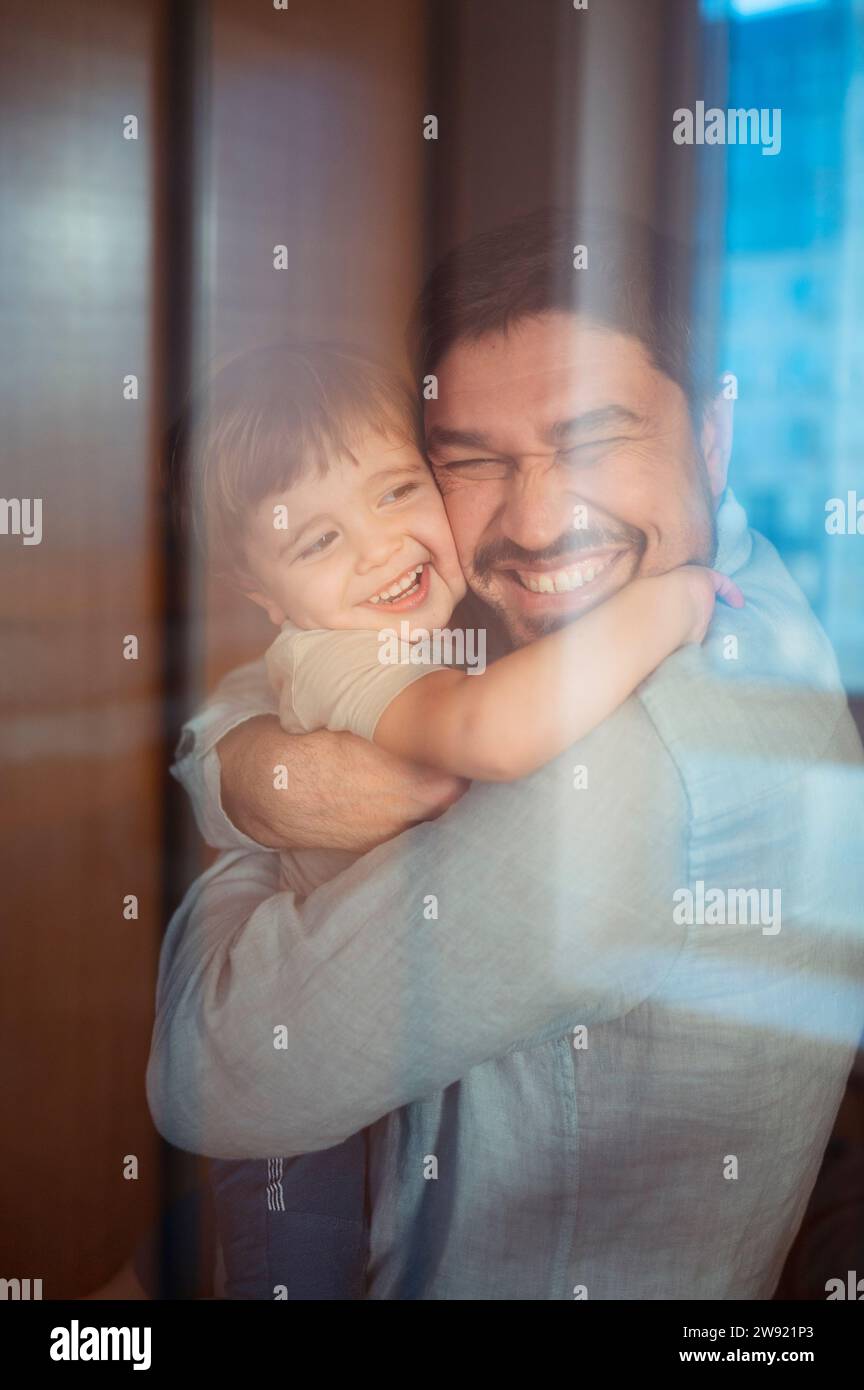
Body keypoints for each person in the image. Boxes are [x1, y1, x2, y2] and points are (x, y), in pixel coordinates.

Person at [148, 208, 864, 1299]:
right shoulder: (710, 603)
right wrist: (243, 767)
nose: (536, 522)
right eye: (470, 462)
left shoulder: (632, 765)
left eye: (591, 439)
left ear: (714, 434)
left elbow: (208, 1077)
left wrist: (246, 797)